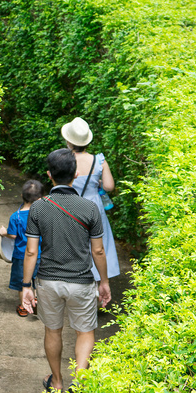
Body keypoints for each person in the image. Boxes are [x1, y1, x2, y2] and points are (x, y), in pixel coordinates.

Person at [21, 149, 111, 393]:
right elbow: (98, 252)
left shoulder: (38, 208)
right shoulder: (90, 208)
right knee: (84, 331)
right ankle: (80, 383)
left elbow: (31, 252)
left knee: (53, 331)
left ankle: (58, 382)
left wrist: (26, 286)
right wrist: (103, 281)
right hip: (81, 281)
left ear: (49, 175)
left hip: (48, 282)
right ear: (77, 174)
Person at [61, 117, 120, 282]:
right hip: (94, 206)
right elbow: (109, 186)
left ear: (69, 141)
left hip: (69, 206)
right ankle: (97, 281)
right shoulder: (99, 160)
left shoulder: (65, 160)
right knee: (98, 245)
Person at [0, 179, 43, 316]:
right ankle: (35, 302)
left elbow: (12, 235)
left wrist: (3, 232)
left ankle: (24, 306)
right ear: (40, 198)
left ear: (22, 196)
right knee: (35, 279)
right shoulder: (41, 215)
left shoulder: (15, 217)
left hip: (20, 256)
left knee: (23, 281)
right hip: (39, 254)